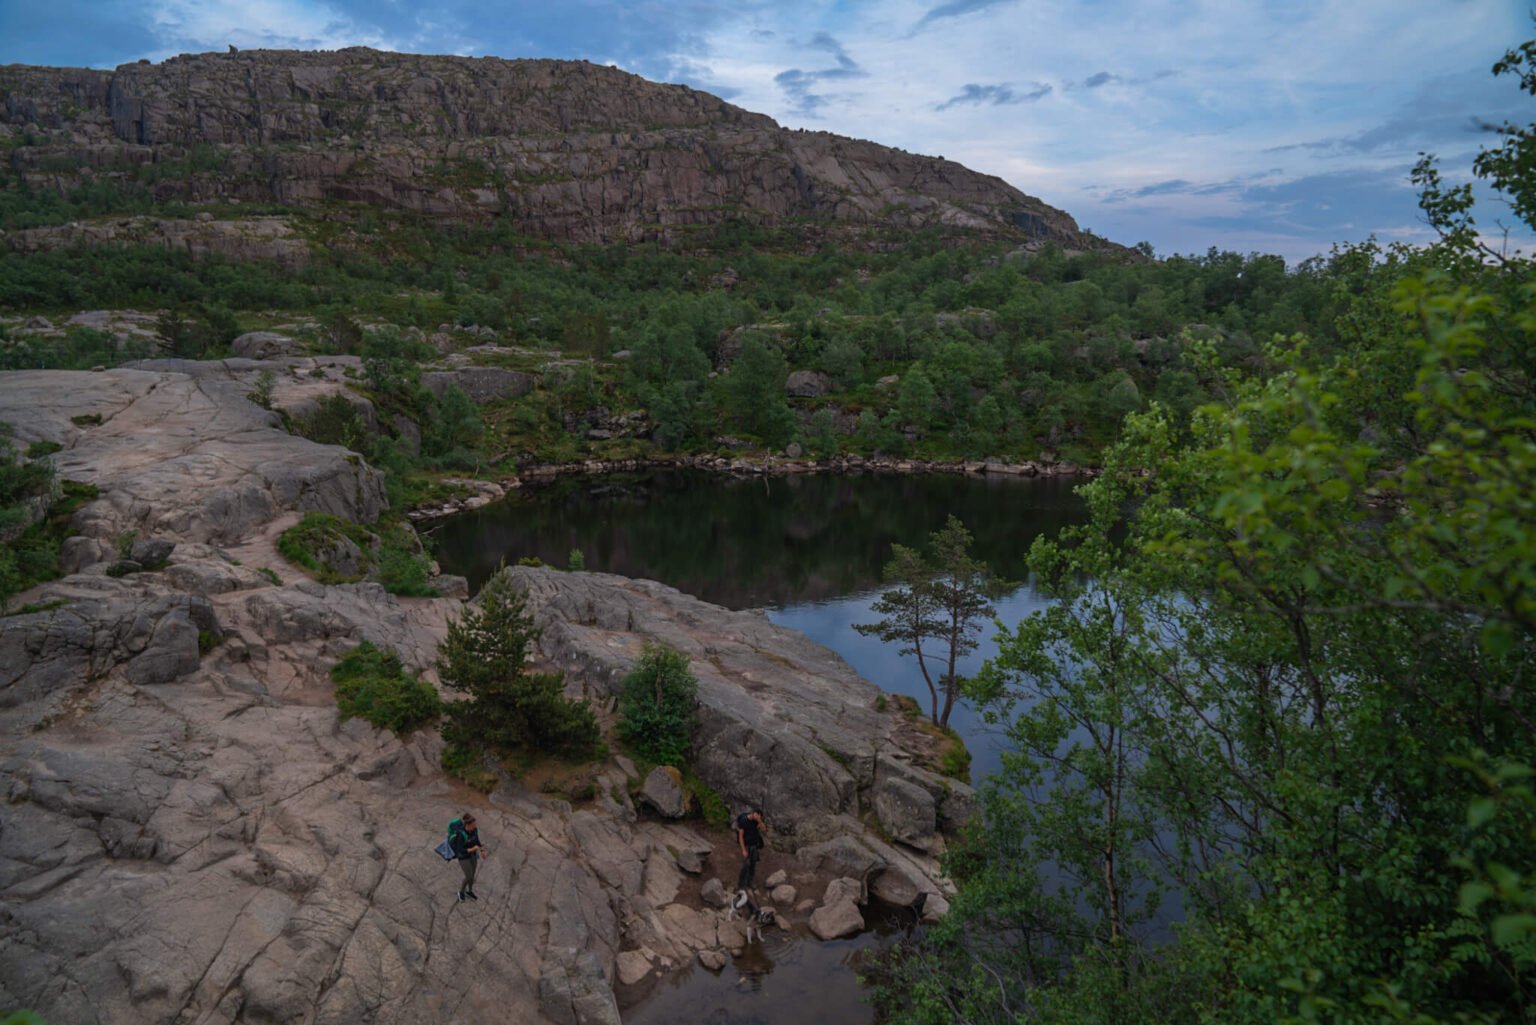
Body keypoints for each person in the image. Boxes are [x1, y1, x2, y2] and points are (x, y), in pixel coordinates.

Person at [449, 812, 485, 901]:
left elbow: (477, 841)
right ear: (467, 825)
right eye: (473, 825)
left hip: (473, 856)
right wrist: (472, 849)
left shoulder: (474, 830)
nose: (475, 826)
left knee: (472, 876)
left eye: (475, 824)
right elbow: (460, 850)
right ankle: (461, 892)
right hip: (463, 857)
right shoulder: (461, 834)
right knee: (469, 876)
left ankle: (469, 891)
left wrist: (482, 850)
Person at [735, 808, 765, 892]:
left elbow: (764, 829)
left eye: (759, 817)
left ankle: (750, 881)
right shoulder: (744, 821)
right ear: (754, 813)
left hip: (754, 846)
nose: (758, 818)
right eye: (758, 816)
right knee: (746, 865)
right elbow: (740, 837)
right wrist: (743, 850)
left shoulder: (756, 821)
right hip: (747, 846)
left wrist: (759, 821)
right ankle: (741, 884)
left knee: (753, 864)